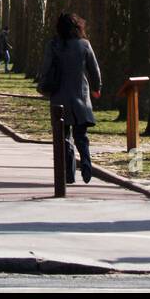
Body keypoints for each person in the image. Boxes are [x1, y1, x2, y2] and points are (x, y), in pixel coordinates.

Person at [38, 11, 101, 185]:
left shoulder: (53, 45)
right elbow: (94, 70)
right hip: (81, 94)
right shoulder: (84, 45)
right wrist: (97, 88)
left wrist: (43, 86)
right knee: (81, 134)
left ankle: (69, 173)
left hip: (59, 95)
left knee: (64, 136)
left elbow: (46, 68)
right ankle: (87, 163)